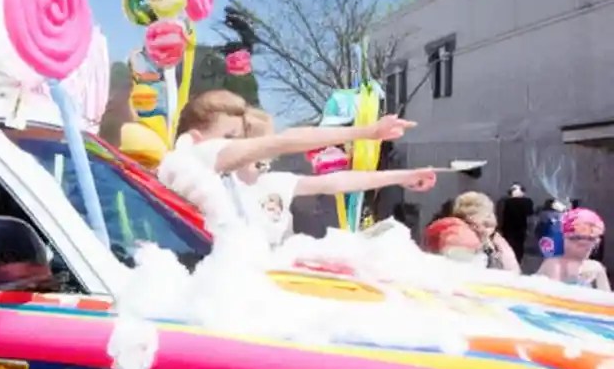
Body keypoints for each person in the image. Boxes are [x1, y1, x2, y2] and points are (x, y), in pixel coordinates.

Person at [158, 91, 436, 245]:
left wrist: (403, 176)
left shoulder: (248, 185)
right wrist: (367, 131)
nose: (243, 148)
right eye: (231, 137)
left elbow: (335, 182)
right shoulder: (193, 157)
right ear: (196, 138)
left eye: (242, 138)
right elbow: (283, 141)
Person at [537, 208, 609, 290]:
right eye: (576, 238)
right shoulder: (552, 264)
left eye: (591, 239)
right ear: (563, 238)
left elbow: (606, 295)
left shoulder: (595, 268)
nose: (583, 244)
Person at [450, 191, 520, 272]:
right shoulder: (458, 238)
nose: (490, 219)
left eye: (491, 213)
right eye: (480, 213)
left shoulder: (498, 241)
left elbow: (512, 269)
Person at [497, 183, 533, 262]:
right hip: (511, 228)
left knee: (515, 246)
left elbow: (530, 215)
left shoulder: (506, 201)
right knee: (513, 246)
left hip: (516, 228)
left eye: (514, 189)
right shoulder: (506, 201)